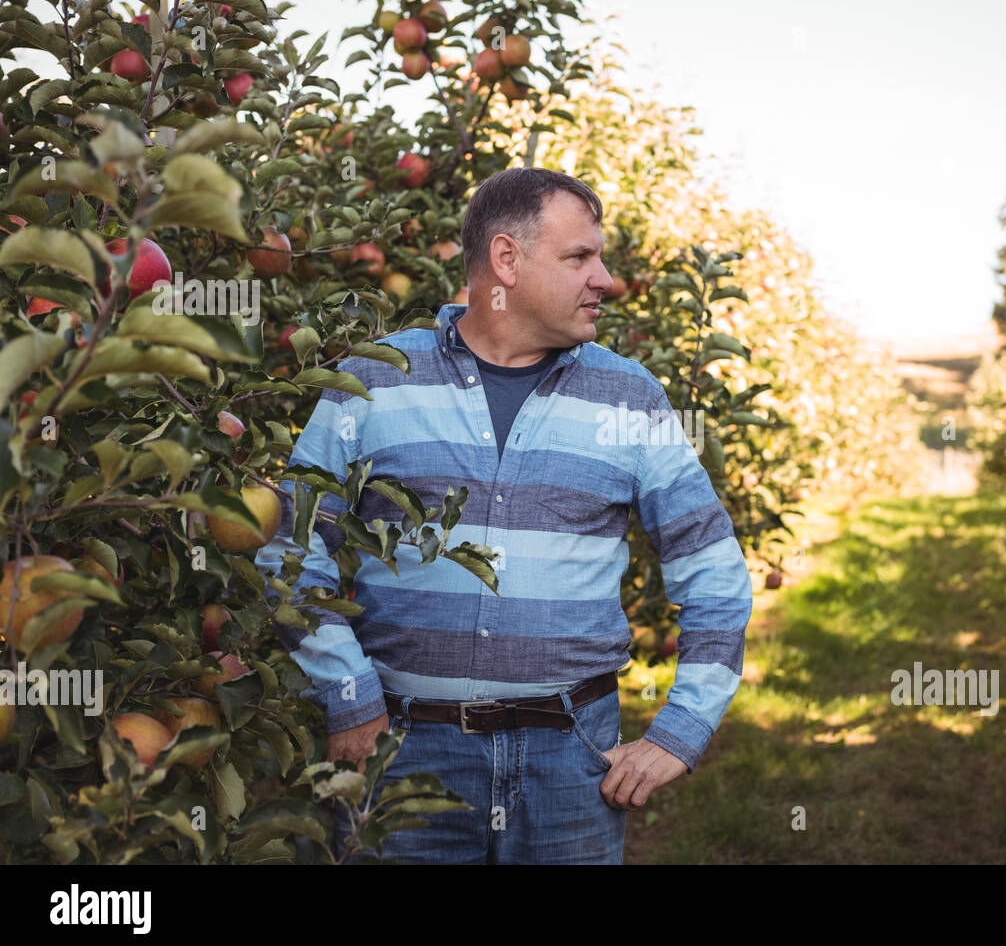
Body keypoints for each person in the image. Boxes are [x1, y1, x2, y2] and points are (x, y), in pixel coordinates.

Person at [254, 167, 752, 863]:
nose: (603, 279)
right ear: (506, 260)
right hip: (400, 752)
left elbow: (712, 567)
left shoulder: (627, 397)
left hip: (573, 761)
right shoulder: (376, 380)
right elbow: (290, 541)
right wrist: (348, 689)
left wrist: (684, 725)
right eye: (579, 257)